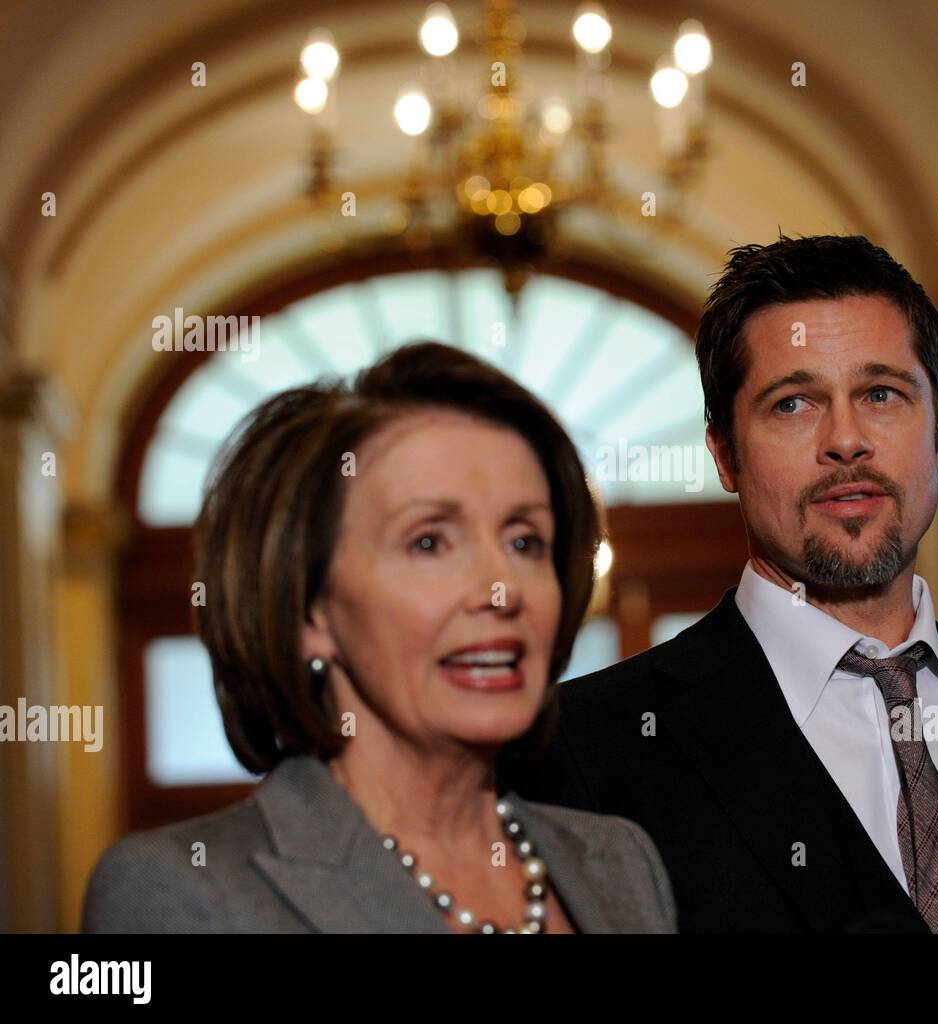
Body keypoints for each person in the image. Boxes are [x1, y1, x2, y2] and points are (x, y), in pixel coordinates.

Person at [504, 233, 938, 933]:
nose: (846, 439)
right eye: (793, 404)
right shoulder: (583, 750)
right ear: (725, 455)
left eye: (882, 393)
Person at [83, 341, 675, 934]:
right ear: (310, 613)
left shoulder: (619, 862)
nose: (502, 590)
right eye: (429, 542)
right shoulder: (180, 890)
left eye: (525, 542)